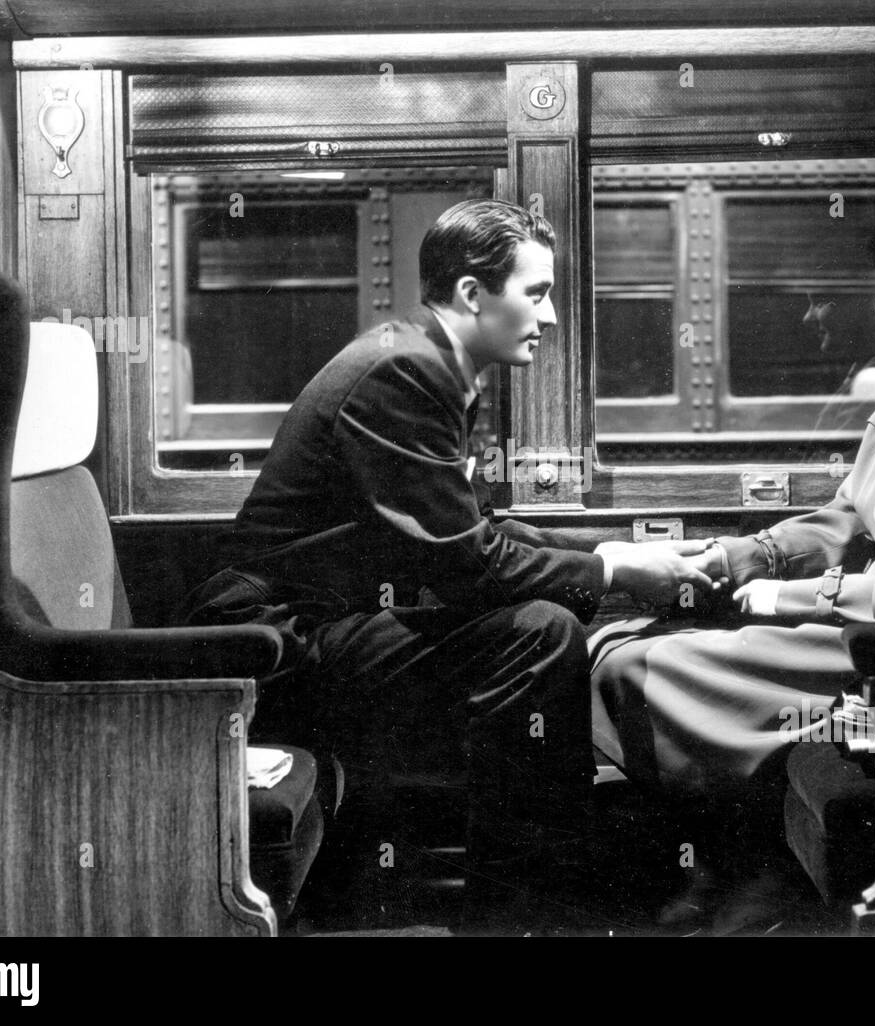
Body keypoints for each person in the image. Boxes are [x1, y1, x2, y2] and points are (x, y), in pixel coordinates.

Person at [179, 198, 714, 932]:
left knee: (540, 623)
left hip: (325, 618)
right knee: (538, 633)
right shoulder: (405, 372)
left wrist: (606, 554)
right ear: (472, 294)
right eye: (536, 293)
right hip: (274, 641)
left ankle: (537, 898)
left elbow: (472, 532)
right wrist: (617, 575)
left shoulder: (424, 359)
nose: (550, 317)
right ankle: (521, 914)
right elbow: (467, 566)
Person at [588, 194, 875, 928]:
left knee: (635, 668)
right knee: (618, 646)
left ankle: (741, 875)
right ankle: (737, 869)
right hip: (869, 617)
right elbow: (848, 516)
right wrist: (744, 557)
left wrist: (795, 599)